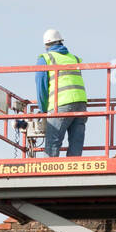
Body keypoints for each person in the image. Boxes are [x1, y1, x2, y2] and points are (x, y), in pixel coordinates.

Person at [35, 29, 88, 157]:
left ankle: (48, 175)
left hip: (62, 103)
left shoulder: (46, 58)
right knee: (76, 142)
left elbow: (41, 87)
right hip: (81, 103)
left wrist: (43, 110)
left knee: (53, 142)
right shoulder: (73, 58)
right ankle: (74, 173)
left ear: (46, 45)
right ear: (61, 42)